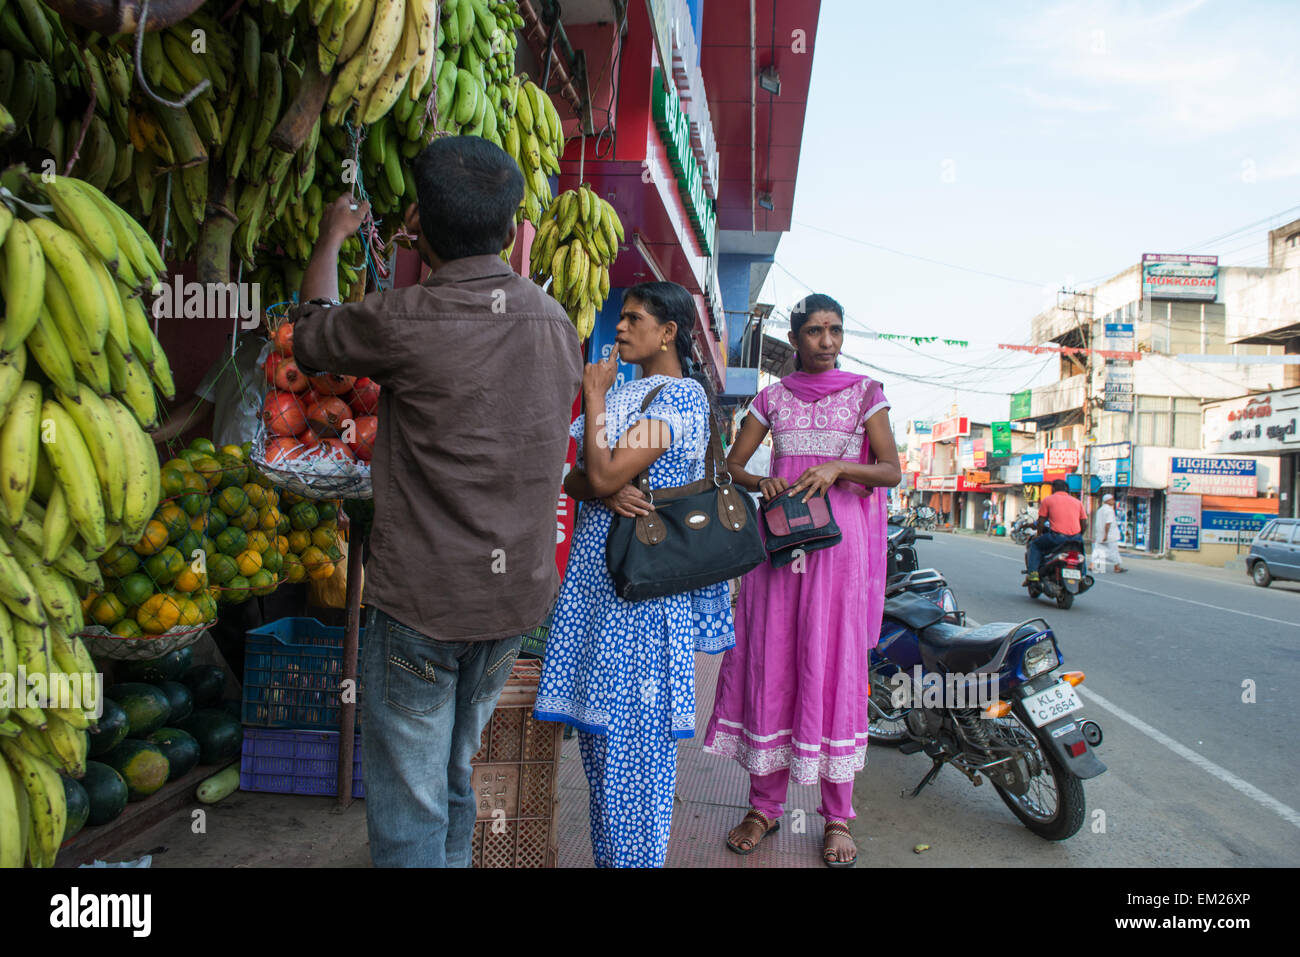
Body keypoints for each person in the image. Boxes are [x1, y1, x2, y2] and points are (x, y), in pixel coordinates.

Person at [292, 136, 583, 867]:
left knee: (410, 806)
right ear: (513, 222)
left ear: (419, 220)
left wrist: (333, 237)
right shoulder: (556, 325)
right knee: (454, 775)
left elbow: (311, 336)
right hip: (510, 604)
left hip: (423, 603)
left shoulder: (404, 317)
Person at [534, 281, 734, 868]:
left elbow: (596, 475)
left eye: (632, 318)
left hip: (644, 604)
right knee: (601, 754)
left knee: (636, 764)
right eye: (618, 318)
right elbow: (575, 477)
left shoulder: (679, 399)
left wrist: (593, 404)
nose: (618, 328)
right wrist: (608, 480)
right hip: (601, 596)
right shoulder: (627, 393)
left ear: (668, 332)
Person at [704, 293, 901, 867]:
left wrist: (840, 466)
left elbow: (890, 469)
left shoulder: (867, 394)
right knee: (774, 662)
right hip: (779, 548)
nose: (827, 342)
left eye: (835, 330)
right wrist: (758, 480)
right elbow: (730, 466)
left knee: (833, 666)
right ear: (795, 340)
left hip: (839, 557)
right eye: (815, 331)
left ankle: (837, 816)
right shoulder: (772, 397)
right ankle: (763, 807)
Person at [1025, 478, 1088, 583]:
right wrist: (1079, 535)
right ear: (1067, 490)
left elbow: (1041, 521)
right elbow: (1084, 523)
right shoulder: (1078, 502)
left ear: (1053, 489)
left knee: (1035, 545)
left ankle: (1033, 573)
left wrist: (1039, 534)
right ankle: (1083, 575)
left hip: (1057, 538)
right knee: (1081, 553)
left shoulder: (1048, 500)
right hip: (1076, 538)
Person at [1093, 492, 1126, 572]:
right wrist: (1106, 535)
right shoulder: (1109, 510)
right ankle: (1117, 567)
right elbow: (1108, 524)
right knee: (1113, 551)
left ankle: (1095, 566)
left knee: (1099, 550)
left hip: (1100, 534)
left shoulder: (1100, 510)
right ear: (1107, 501)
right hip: (1110, 535)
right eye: (1112, 500)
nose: (1113, 501)